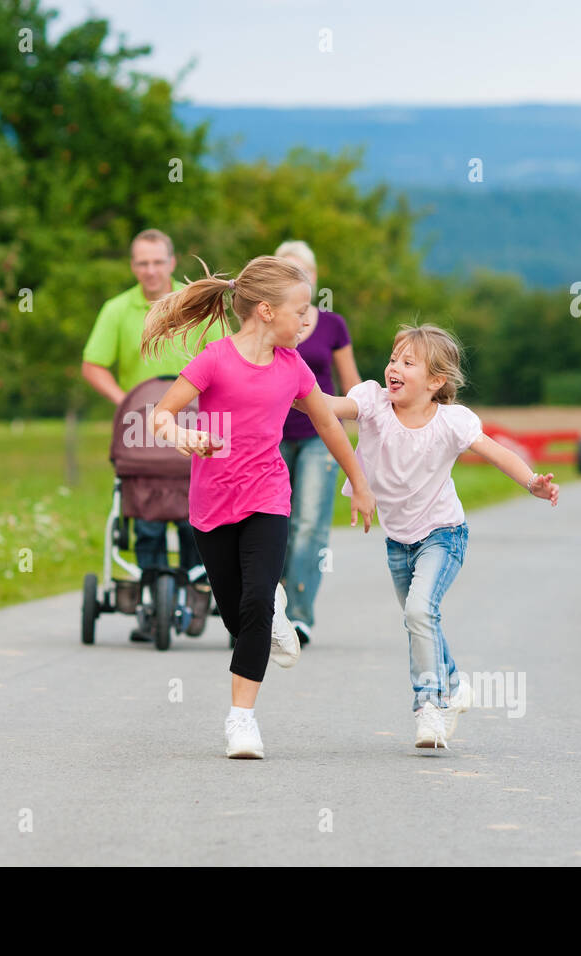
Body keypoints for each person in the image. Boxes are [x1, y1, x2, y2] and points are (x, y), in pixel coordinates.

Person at [142, 256, 376, 759]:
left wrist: (358, 480)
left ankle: (241, 720)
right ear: (266, 311)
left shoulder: (294, 368)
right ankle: (272, 614)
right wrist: (182, 434)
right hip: (211, 506)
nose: (308, 321)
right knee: (237, 615)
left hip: (268, 497)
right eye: (301, 311)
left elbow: (329, 425)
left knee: (252, 605)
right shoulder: (214, 360)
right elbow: (161, 414)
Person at [317, 324, 559, 750]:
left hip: (444, 535)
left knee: (418, 612)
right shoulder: (372, 402)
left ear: (435, 382)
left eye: (408, 363)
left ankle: (428, 707)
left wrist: (531, 483)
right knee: (419, 619)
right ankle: (452, 682)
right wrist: (285, 385)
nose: (394, 368)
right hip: (398, 540)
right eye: (394, 359)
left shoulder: (451, 422)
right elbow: (327, 405)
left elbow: (497, 453)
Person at [82, 228, 219, 641]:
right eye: (142, 262)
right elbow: (93, 364)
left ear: (172, 263)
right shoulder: (118, 309)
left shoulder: (195, 303)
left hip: (193, 426)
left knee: (195, 512)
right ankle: (150, 599)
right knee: (146, 514)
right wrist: (126, 399)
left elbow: (226, 355)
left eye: (158, 262)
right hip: (139, 428)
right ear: (133, 266)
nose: (150, 270)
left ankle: (196, 588)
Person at [273, 240, 361, 647]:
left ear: (314, 277)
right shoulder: (269, 321)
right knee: (274, 525)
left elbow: (352, 385)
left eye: (302, 272)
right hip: (271, 434)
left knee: (309, 525)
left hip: (319, 435)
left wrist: (370, 424)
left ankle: (299, 616)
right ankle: (268, 610)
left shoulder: (332, 325)